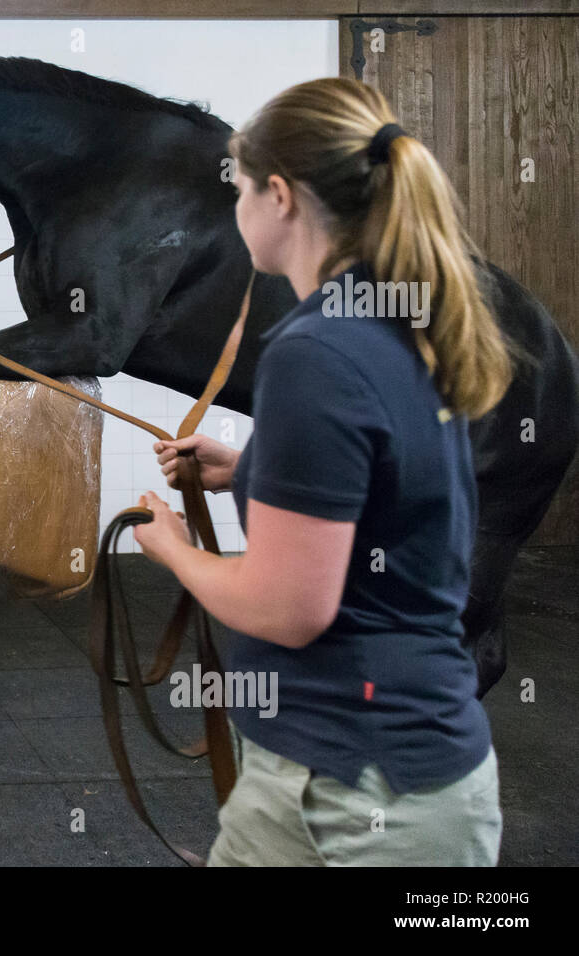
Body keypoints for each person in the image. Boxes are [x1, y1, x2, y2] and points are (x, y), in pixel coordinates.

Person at [131, 77, 511, 866]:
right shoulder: (405, 316)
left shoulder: (314, 351)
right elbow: (386, 481)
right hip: (363, 770)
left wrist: (172, 548)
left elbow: (286, 607)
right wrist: (252, 469)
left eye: (237, 189)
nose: (232, 211)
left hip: (360, 794)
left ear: (279, 197)